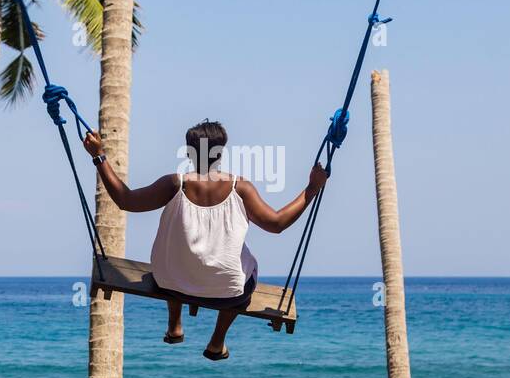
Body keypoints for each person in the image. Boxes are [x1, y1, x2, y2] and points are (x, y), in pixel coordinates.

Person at [83, 119, 327, 360]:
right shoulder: (240, 188)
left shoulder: (174, 184)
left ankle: (175, 325)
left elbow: (126, 200)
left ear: (189, 153)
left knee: (173, 256)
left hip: (170, 284)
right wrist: (311, 190)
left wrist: (99, 156)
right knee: (244, 272)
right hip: (228, 294)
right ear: (220, 153)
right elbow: (276, 224)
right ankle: (217, 341)